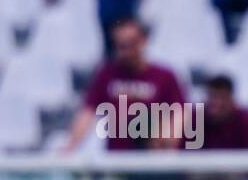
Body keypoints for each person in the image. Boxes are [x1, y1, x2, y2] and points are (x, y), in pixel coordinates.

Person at [65, 16, 188, 152]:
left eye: (130, 44)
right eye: (121, 45)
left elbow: (179, 113)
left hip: (153, 157)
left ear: (143, 41)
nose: (126, 51)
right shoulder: (107, 74)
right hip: (118, 158)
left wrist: (168, 144)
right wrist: (71, 146)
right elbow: (87, 112)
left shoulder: (164, 76)